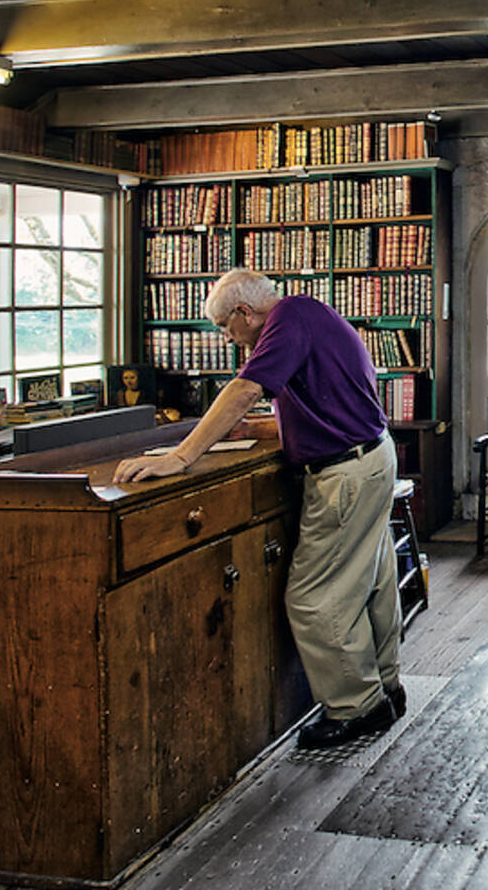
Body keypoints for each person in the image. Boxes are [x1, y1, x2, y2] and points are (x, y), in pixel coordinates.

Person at [114, 269, 404, 748]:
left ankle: (358, 707)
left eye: (226, 328)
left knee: (315, 597)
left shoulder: (285, 319)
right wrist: (260, 430)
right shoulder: (306, 313)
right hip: (369, 456)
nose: (230, 340)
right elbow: (325, 400)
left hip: (345, 473)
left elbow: (246, 388)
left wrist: (181, 456)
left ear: (245, 313)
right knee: (372, 581)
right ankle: (386, 687)